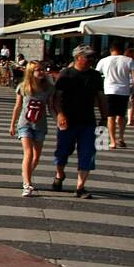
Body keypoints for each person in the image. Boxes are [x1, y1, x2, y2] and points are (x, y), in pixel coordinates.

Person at [52, 46, 106, 198]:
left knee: (88, 153)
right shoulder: (66, 74)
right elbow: (56, 98)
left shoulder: (95, 76)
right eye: (87, 57)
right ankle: (59, 174)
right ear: (77, 58)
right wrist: (60, 114)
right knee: (62, 152)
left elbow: (101, 97)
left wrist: (104, 117)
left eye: (92, 57)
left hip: (88, 121)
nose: (91, 60)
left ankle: (80, 188)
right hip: (67, 120)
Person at [9, 60, 54, 197]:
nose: (41, 72)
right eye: (38, 70)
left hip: (40, 125)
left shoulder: (49, 88)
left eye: (42, 69)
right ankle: (27, 184)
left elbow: (51, 107)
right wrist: (12, 124)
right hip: (25, 124)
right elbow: (17, 107)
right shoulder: (23, 87)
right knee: (28, 153)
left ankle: (26, 172)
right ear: (31, 72)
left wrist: (59, 120)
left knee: (36, 157)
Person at [96, 42, 134, 149]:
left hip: (109, 91)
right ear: (123, 50)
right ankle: (121, 138)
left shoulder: (103, 61)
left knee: (110, 116)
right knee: (121, 116)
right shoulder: (129, 60)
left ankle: (112, 141)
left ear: (111, 50)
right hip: (124, 91)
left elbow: (96, 75)